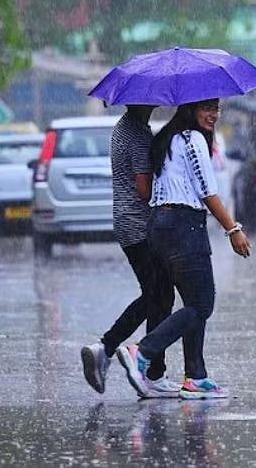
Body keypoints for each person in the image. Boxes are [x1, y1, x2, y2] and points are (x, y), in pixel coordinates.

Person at [116, 99, 251, 400]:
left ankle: (196, 376)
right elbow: (207, 190)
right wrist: (233, 229)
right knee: (202, 304)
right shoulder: (192, 140)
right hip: (183, 225)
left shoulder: (167, 138)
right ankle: (143, 351)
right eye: (206, 108)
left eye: (216, 108)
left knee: (191, 303)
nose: (213, 115)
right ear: (189, 109)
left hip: (159, 227)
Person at [81, 104, 178, 396]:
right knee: (160, 295)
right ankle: (141, 364)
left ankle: (127, 357)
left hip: (127, 223)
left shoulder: (124, 128)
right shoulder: (137, 135)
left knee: (156, 294)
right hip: (139, 226)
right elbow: (144, 189)